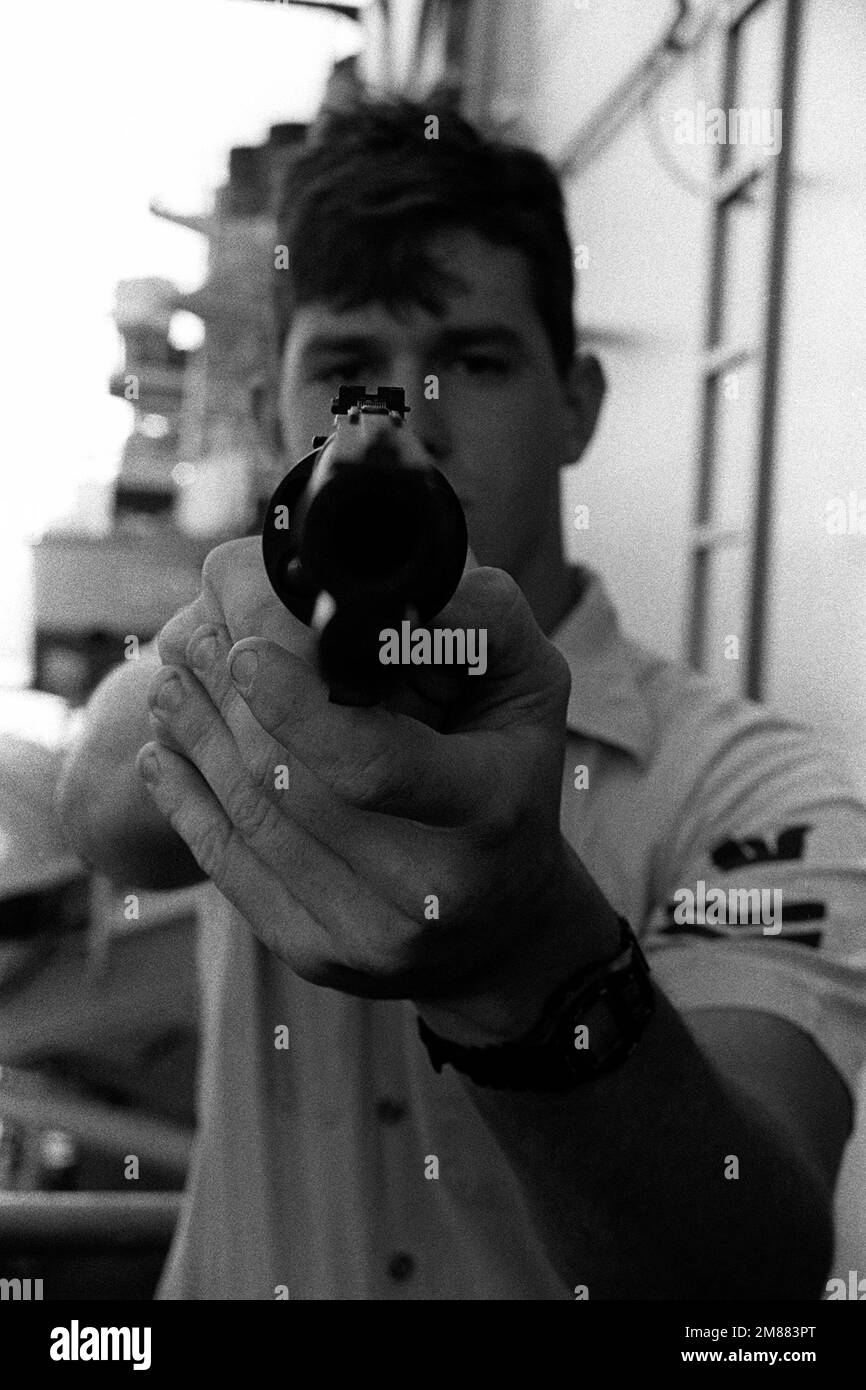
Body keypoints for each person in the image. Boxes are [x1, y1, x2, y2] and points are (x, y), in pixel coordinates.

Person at [57, 94, 866, 1300]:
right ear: (273, 407)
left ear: (578, 402)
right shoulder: (235, 658)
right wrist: (263, 620)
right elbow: (100, 806)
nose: (410, 425)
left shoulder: (758, 786)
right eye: (346, 369)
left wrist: (532, 962)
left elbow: (745, 1272)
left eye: (471, 361)